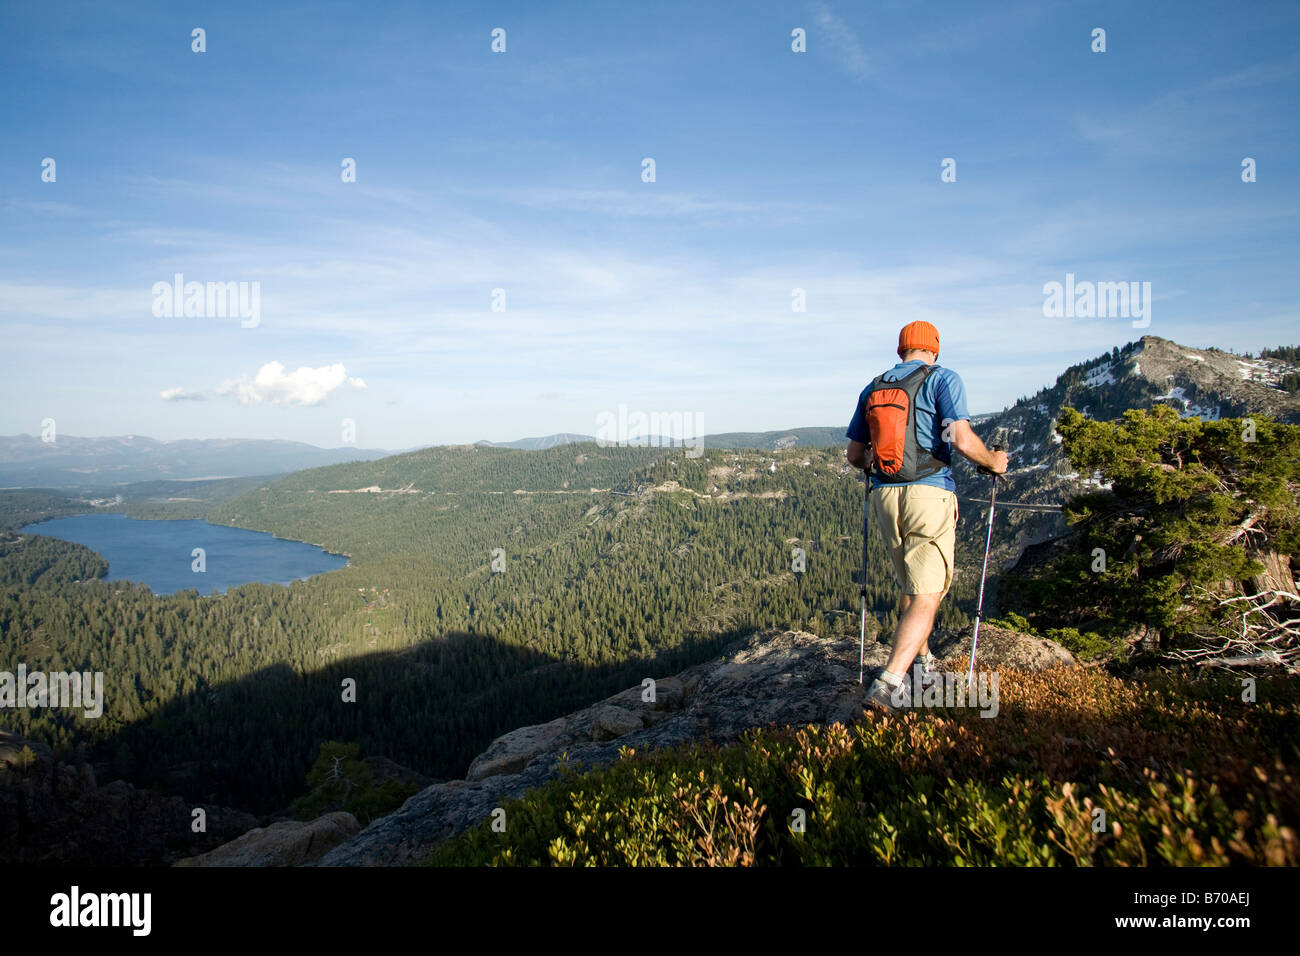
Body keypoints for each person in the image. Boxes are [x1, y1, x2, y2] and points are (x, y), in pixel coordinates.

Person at [845, 321, 1008, 712]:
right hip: (929, 493)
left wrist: (882, 468)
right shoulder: (942, 379)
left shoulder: (874, 387)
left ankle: (923, 660)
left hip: (885, 496)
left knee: (910, 583)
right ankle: (889, 683)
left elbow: (854, 455)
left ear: (901, 349)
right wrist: (994, 462)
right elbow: (962, 439)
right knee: (928, 593)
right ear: (933, 349)